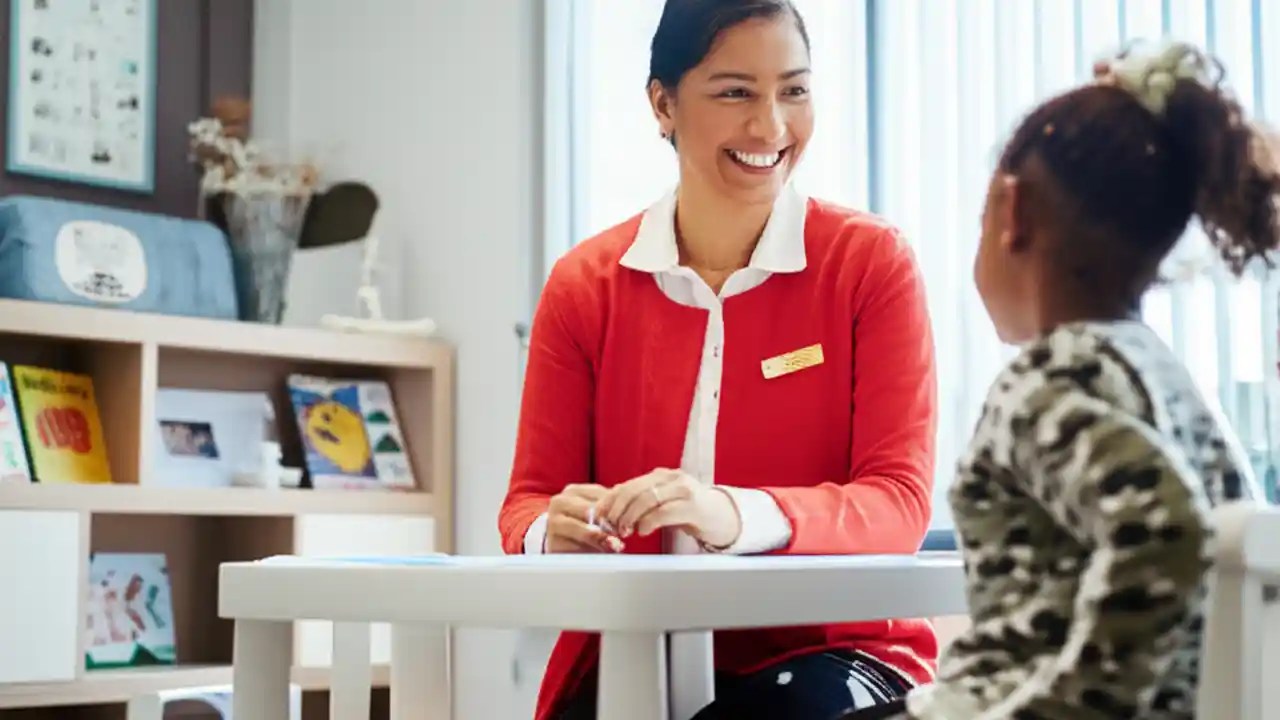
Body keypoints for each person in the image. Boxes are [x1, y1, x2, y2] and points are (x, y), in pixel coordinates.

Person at [498, 0, 939, 718]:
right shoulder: (584, 285)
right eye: (736, 92)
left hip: (837, 649)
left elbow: (898, 502)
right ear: (663, 105)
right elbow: (527, 505)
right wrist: (557, 528)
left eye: (793, 91)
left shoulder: (870, 264)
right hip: (636, 648)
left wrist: (729, 513)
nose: (771, 126)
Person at [840, 41, 1279, 720]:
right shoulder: (1165, 377)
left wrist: (1072, 705)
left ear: (1010, 212)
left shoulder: (1048, 383)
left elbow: (1165, 530)